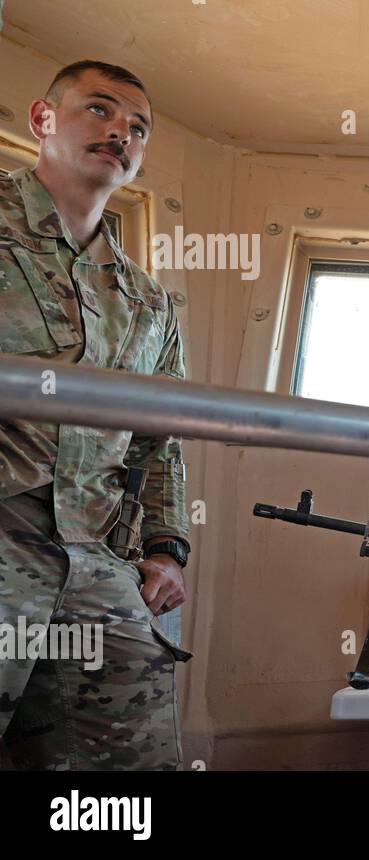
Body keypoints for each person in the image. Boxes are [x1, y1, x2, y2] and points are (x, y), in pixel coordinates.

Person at [0, 60, 193, 770]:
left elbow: (160, 437)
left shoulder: (146, 301)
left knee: (126, 783)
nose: (121, 132)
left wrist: (167, 548)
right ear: (43, 119)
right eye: (101, 111)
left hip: (99, 563)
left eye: (137, 127)